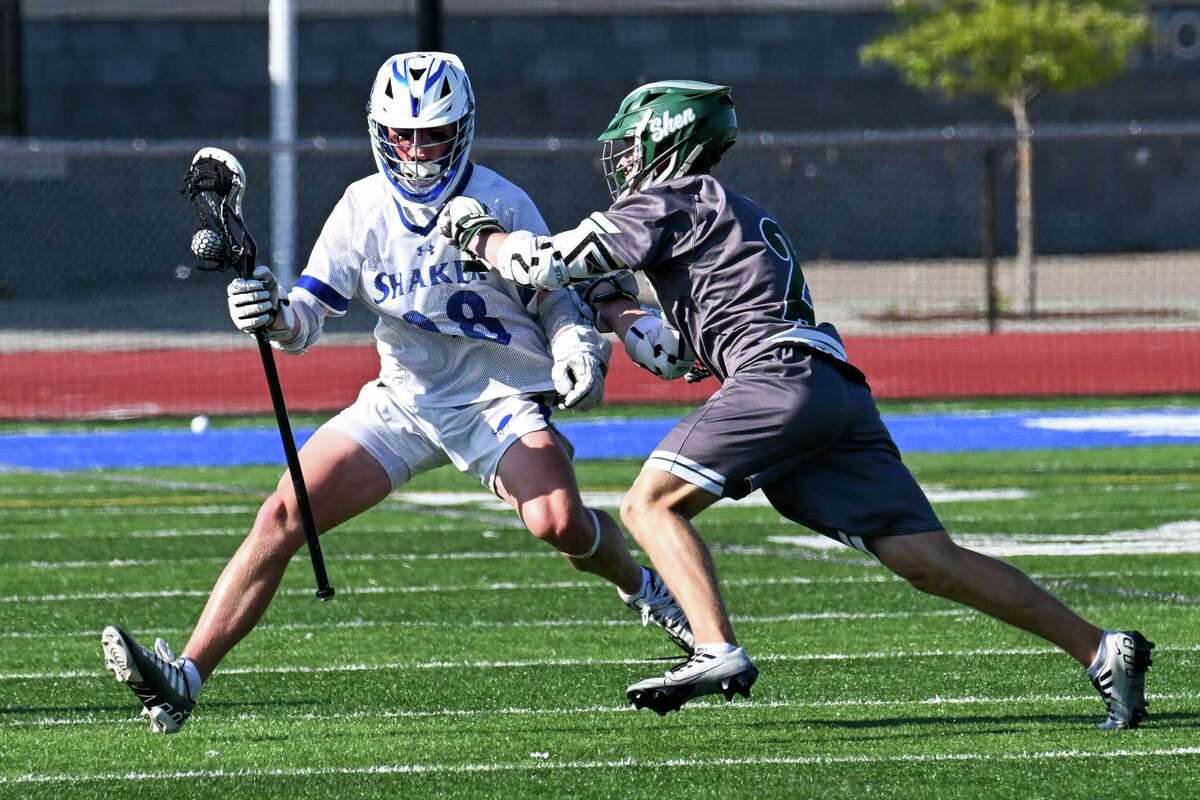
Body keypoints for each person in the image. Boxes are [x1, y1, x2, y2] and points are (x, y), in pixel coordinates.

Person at [435, 79, 1155, 728]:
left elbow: (541, 263)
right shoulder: (728, 211)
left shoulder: (675, 196)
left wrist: (480, 232)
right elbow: (678, 356)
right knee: (927, 558)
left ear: (661, 140)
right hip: (826, 385)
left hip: (775, 375)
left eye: (627, 145)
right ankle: (1099, 648)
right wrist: (616, 308)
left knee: (646, 506)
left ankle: (713, 646)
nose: (620, 161)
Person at [100, 53, 693, 735]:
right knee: (283, 515)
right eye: (402, 134)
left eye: (432, 133)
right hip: (405, 398)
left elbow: (551, 293)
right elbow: (306, 320)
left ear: (463, 130)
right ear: (380, 131)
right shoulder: (362, 207)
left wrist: (571, 343)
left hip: (496, 394)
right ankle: (186, 679)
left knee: (558, 522)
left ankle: (641, 588)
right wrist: (268, 311)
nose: (415, 150)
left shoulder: (501, 200)